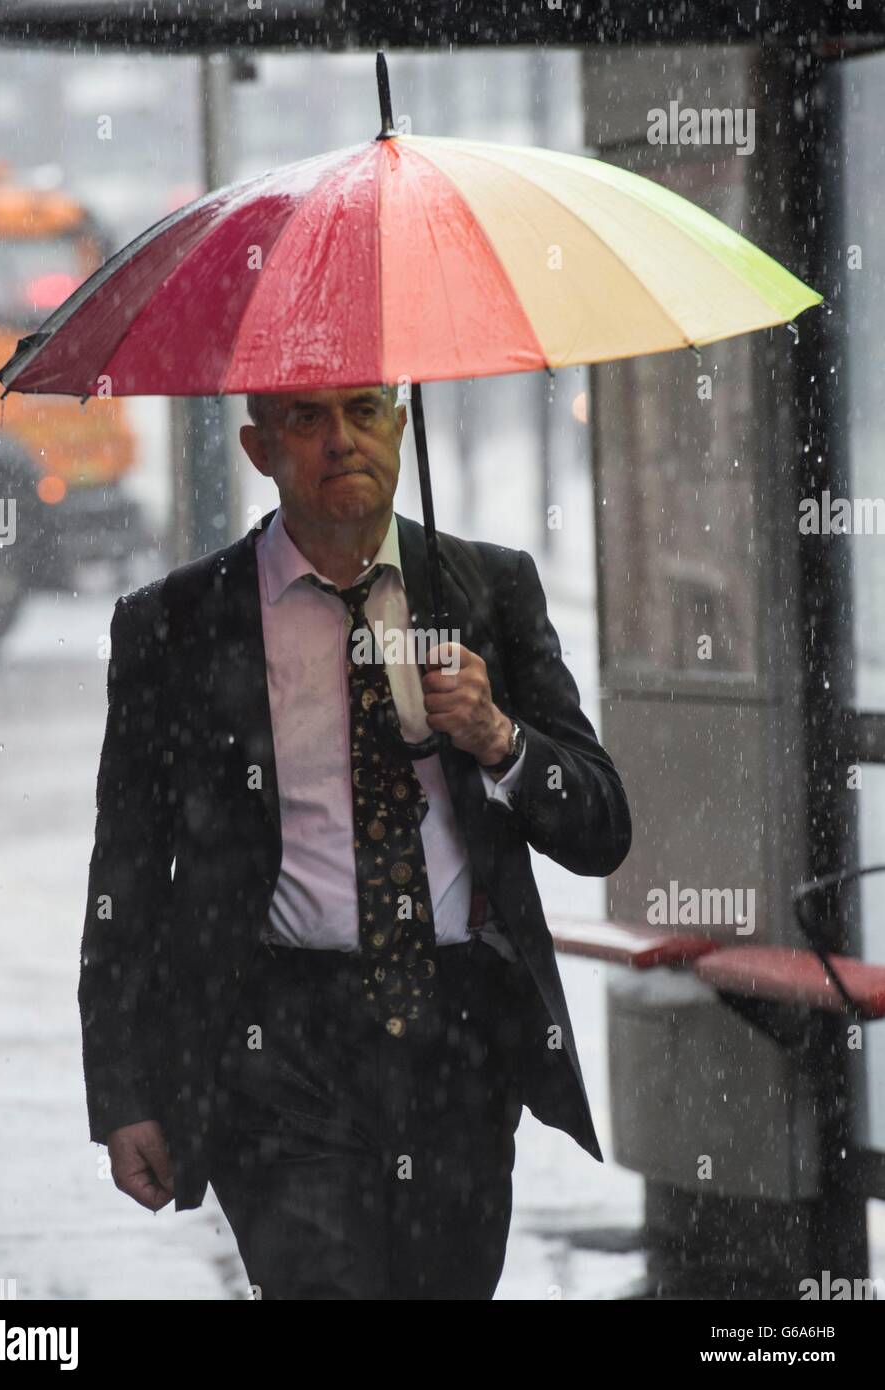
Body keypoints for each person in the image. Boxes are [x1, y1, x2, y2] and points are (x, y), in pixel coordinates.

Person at [78, 382, 632, 1300]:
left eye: (366, 411)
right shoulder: (175, 622)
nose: (342, 440)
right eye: (306, 418)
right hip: (279, 1047)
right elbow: (126, 875)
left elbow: (602, 830)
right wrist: (124, 1092)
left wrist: (499, 738)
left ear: (401, 427)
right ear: (260, 449)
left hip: (458, 1042)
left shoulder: (486, 588)